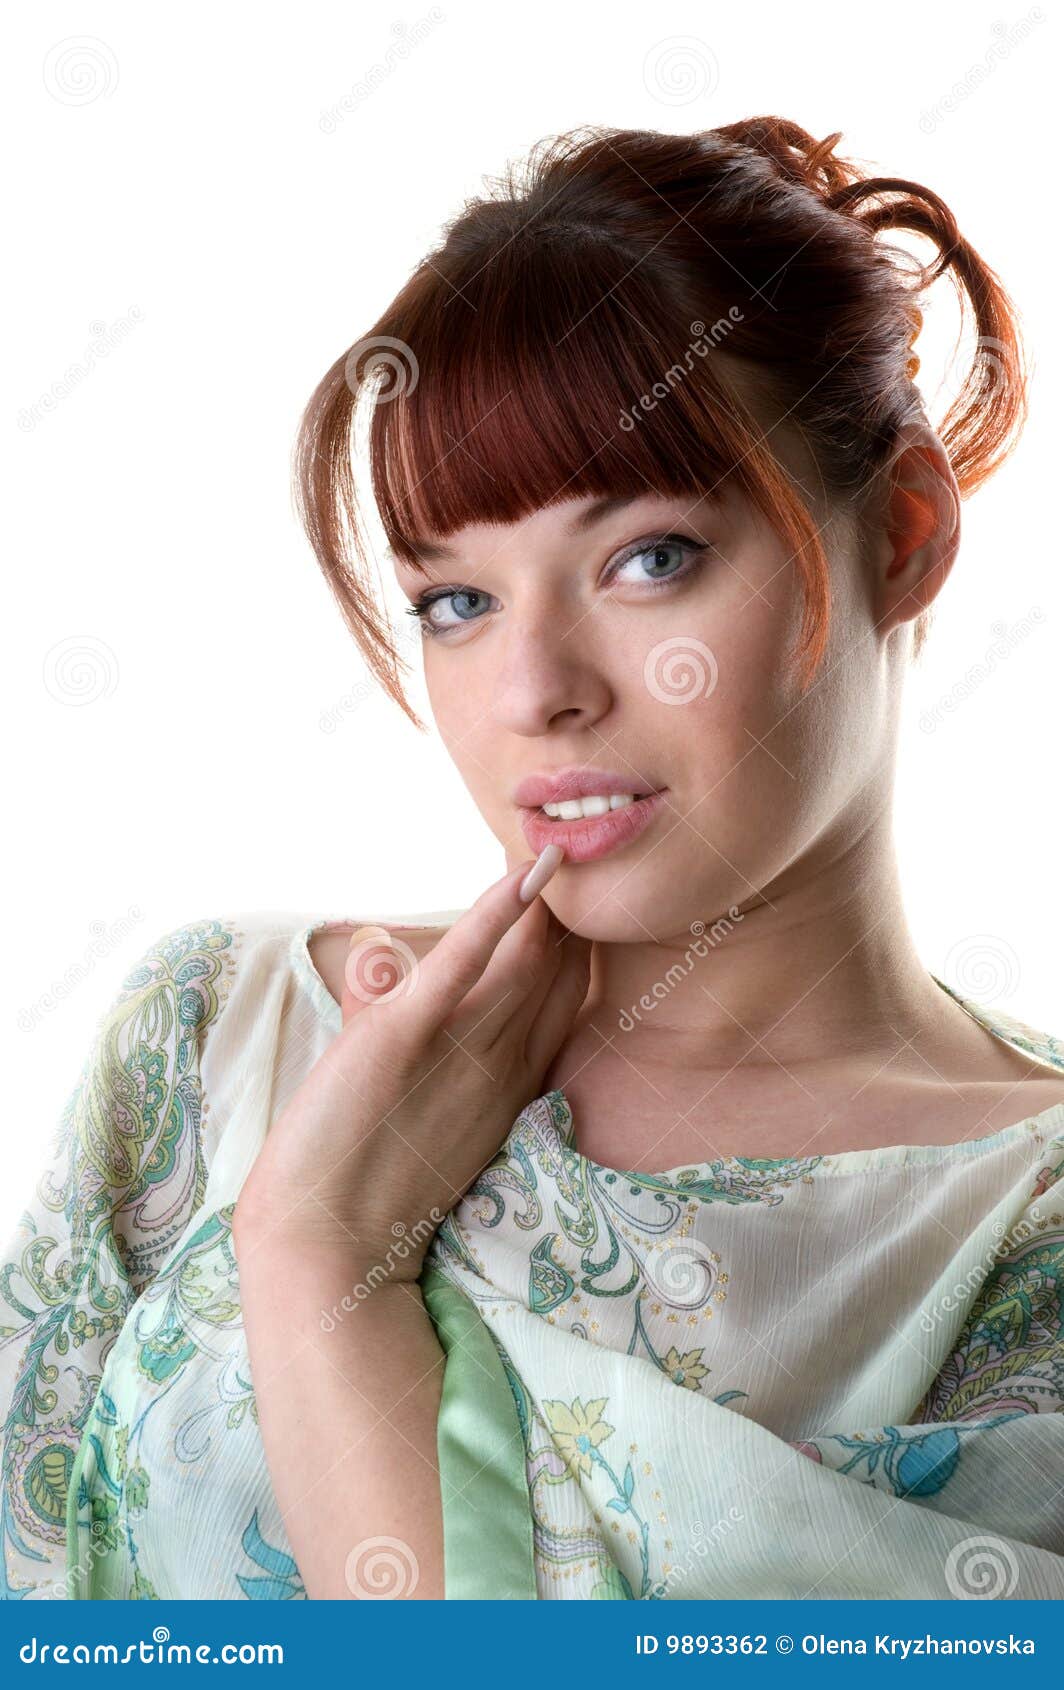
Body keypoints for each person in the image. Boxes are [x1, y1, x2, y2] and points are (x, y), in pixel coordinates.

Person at [3, 117, 1062, 1603]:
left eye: (648, 557)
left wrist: (320, 1262)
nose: (535, 691)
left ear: (901, 532)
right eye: (455, 600)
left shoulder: (1027, 1217)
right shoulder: (225, 1032)